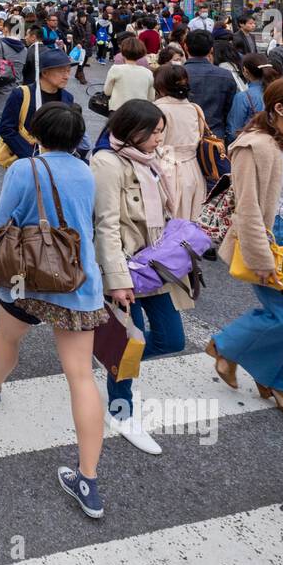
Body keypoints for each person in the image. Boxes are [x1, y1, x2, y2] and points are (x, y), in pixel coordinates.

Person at [0, 102, 110, 518]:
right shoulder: (87, 172)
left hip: (26, 276)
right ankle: (89, 478)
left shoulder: (23, 170)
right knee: (81, 376)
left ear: (36, 134)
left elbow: (0, 226)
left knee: (7, 338)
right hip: (76, 280)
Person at [206, 77, 283, 421]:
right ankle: (226, 346)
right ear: (280, 108)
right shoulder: (253, 146)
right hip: (268, 239)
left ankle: (274, 380)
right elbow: (246, 207)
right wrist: (260, 257)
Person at [91, 98, 193, 454]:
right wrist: (117, 279)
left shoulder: (148, 161)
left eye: (161, 132)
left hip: (154, 266)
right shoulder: (107, 163)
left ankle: (111, 360)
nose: (159, 140)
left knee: (171, 340)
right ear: (134, 131)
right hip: (127, 271)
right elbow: (105, 225)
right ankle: (121, 411)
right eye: (155, 133)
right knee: (129, 344)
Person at [0, 48, 78, 163]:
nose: (66, 76)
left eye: (68, 71)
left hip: (56, 162)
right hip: (27, 161)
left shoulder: (67, 98)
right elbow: (7, 129)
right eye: (62, 71)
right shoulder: (21, 94)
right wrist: (32, 157)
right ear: (44, 72)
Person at [151, 64, 205, 220]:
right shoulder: (194, 108)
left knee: (166, 223)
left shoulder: (157, 109)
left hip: (165, 169)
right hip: (193, 171)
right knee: (189, 221)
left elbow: (154, 144)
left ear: (160, 86)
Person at [183, 28, 238, 141]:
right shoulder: (225, 75)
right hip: (215, 135)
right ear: (211, 49)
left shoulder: (176, 74)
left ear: (185, 47)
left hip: (183, 135)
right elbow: (230, 108)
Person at [228, 53, 278, 144]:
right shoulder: (279, 91)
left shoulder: (243, 97)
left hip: (251, 145)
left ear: (245, 71)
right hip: (277, 143)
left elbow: (234, 131)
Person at [103, 36, 155, 112]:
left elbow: (107, 91)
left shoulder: (116, 69)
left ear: (123, 52)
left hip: (118, 109)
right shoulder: (148, 73)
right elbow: (151, 97)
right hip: (139, 111)